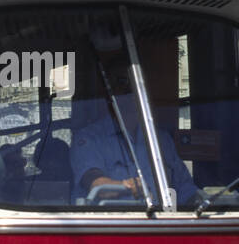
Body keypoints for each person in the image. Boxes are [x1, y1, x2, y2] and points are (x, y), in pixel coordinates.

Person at [70, 54, 199, 207]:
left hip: (159, 223)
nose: (129, 89)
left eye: (137, 83)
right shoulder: (88, 139)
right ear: (108, 91)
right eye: (122, 82)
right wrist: (129, 187)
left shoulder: (161, 140)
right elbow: (98, 186)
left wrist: (215, 201)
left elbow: (186, 191)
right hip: (108, 225)